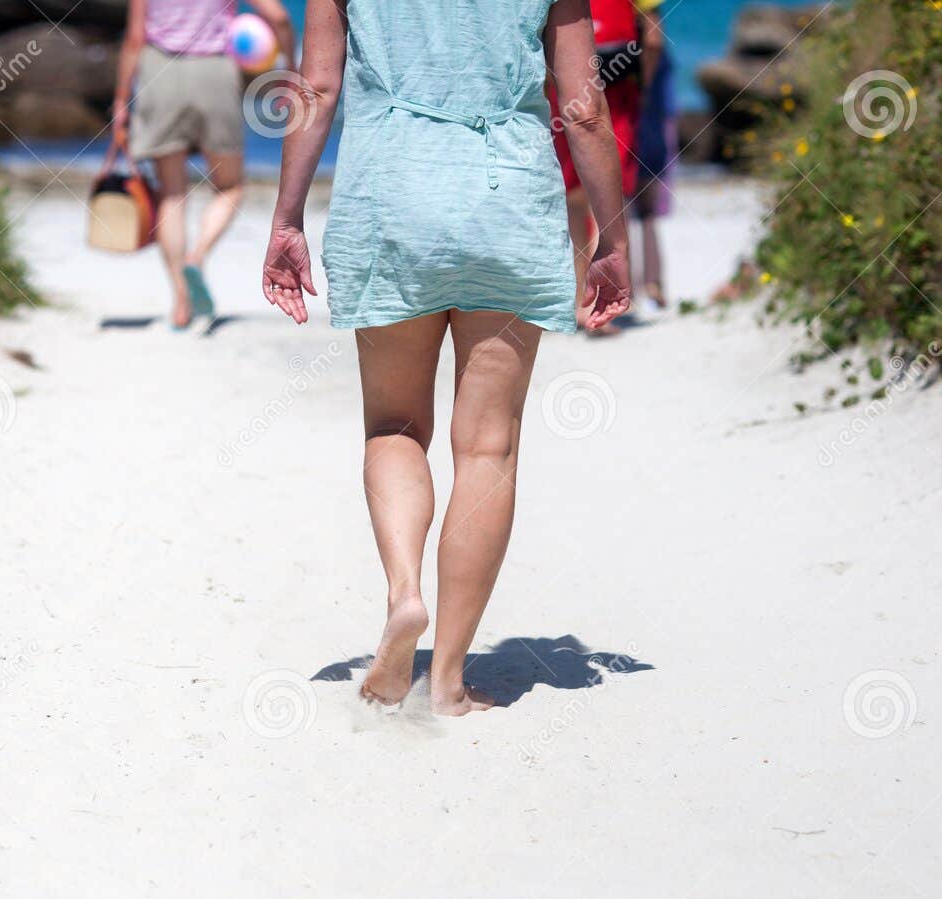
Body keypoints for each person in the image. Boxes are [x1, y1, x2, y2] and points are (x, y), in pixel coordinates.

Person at [260, 0, 631, 715]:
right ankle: (451, 680)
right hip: (509, 201)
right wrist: (611, 240)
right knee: (487, 448)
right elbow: (582, 108)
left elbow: (318, 90)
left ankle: (405, 594)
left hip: (390, 196)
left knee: (394, 429)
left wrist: (286, 218)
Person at [113, 0, 296, 329]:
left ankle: (181, 304)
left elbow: (134, 37)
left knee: (171, 193)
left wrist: (120, 98)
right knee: (230, 186)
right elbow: (279, 16)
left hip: (159, 71)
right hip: (213, 70)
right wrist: (291, 70)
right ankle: (197, 256)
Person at [548, 0, 661, 331]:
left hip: (564, 87)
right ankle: (603, 297)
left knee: (573, 194)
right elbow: (652, 38)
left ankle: (579, 297)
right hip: (619, 87)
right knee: (609, 191)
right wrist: (645, 88)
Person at [631, 0, 674, 307]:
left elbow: (654, 40)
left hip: (635, 109)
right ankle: (652, 283)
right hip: (650, 112)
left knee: (616, 206)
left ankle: (629, 288)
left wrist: (640, 87)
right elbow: (655, 39)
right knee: (646, 210)